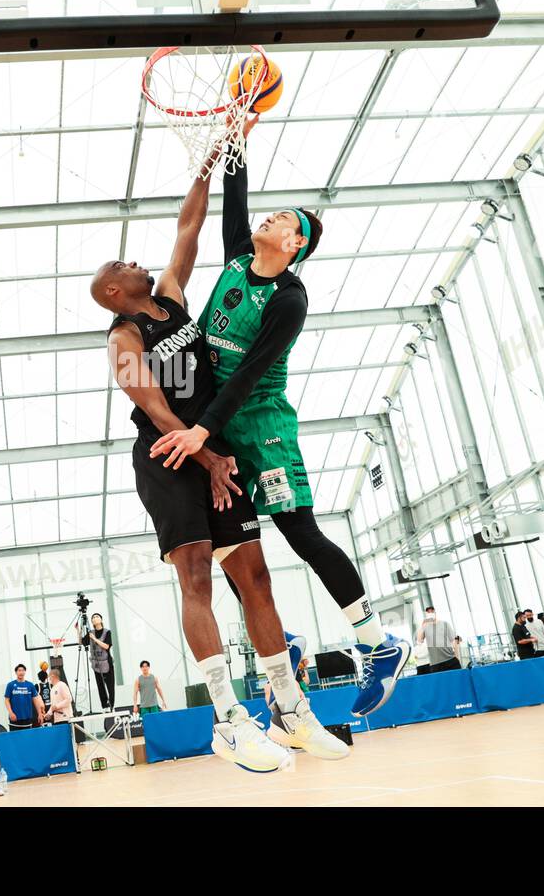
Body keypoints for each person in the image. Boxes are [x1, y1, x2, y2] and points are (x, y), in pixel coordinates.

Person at [90, 148, 347, 771]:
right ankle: (229, 719)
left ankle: (290, 709)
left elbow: (190, 227)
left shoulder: (172, 295)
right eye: (122, 266)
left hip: (212, 447)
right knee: (199, 574)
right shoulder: (123, 339)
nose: (135, 260)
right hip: (169, 457)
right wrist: (204, 455)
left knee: (255, 576)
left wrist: (208, 166)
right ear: (114, 293)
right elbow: (152, 407)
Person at [148, 113, 410, 718]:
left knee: (299, 530)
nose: (272, 217)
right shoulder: (240, 257)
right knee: (234, 546)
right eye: (276, 213)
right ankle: (281, 644)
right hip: (217, 425)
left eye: (286, 220)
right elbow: (234, 193)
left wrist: (200, 432)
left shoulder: (290, 298)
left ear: (295, 245)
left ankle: (376, 642)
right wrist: (240, 126)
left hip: (258, 424)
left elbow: (244, 376)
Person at [81, 614, 117, 710]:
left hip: (106, 663)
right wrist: (78, 630)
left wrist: (94, 639)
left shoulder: (107, 632)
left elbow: (106, 646)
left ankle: (111, 705)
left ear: (101, 619)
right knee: (100, 686)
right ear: (92, 622)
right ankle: (104, 706)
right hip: (96, 664)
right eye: (93, 618)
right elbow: (82, 642)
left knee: (110, 685)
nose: (95, 618)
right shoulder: (91, 633)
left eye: (97, 617)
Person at [417, 606, 461, 673]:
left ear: (435, 613)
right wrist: (422, 625)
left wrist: (457, 657)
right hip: (435, 664)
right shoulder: (425, 627)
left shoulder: (445, 624)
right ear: (426, 614)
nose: (430, 613)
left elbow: (454, 641)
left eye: (432, 611)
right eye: (428, 612)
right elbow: (419, 641)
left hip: (451, 660)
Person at [4, 663, 45, 730]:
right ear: (16, 672)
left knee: (27, 738)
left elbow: (36, 700)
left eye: (23, 670)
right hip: (14, 719)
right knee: (15, 739)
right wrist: (10, 713)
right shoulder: (10, 685)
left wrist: (39, 714)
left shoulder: (30, 685)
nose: (21, 672)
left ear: (25, 672)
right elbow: (6, 700)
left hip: (27, 718)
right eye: (19, 670)